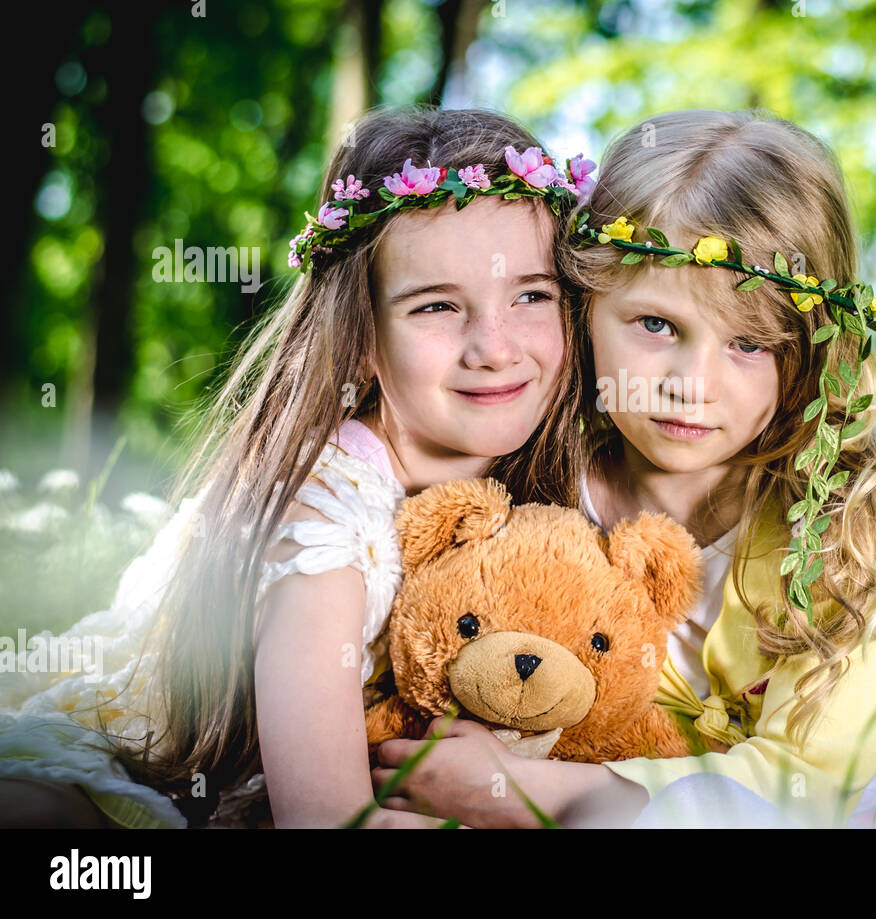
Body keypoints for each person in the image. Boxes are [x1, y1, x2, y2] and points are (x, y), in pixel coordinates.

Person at [0, 105, 593, 828]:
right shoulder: (326, 525)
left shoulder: (527, 491)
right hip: (112, 781)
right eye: (437, 306)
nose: (494, 346)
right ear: (361, 340)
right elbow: (328, 821)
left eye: (532, 294)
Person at [371, 109, 876, 828]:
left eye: (749, 343)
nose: (692, 384)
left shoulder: (846, 511)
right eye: (656, 325)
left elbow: (814, 789)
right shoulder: (539, 473)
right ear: (585, 306)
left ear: (808, 347)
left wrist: (519, 794)